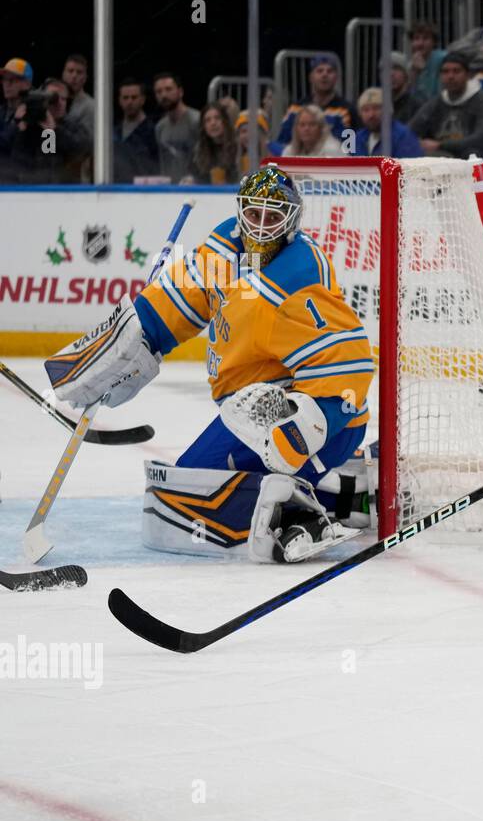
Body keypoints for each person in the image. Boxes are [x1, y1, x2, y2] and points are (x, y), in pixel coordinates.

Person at [43, 165, 374, 563]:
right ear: (240, 211)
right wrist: (130, 342)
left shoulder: (297, 278)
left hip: (318, 419)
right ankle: (350, 496)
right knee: (176, 498)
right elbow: (181, 300)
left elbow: (349, 366)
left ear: (292, 220)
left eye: (274, 216)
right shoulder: (225, 247)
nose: (262, 226)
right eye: (254, 213)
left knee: (186, 501)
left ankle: (310, 508)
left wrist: (305, 428)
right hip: (250, 412)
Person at [408, 50, 483, 181]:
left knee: (471, 155)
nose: (450, 76)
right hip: (446, 163)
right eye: (445, 72)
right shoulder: (436, 103)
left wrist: (440, 145)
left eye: (456, 71)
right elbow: (409, 132)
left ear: (468, 75)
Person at [274, 56, 359, 149]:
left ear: (336, 78)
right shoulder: (295, 109)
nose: (324, 75)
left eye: (329, 71)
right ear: (311, 77)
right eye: (319, 71)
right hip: (300, 161)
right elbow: (281, 143)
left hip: (334, 161)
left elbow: (351, 150)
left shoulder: (347, 110)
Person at [153, 72, 201, 183]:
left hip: (196, 188)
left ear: (180, 92)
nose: (164, 95)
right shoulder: (160, 127)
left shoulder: (196, 121)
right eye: (159, 91)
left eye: (168, 89)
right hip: (170, 189)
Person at [352, 87, 424, 158]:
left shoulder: (403, 137)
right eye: (366, 110)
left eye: (376, 108)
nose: (371, 115)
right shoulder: (359, 137)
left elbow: (410, 167)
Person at [113, 76, 159, 183]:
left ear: (142, 100)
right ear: (119, 100)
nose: (129, 102)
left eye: (134, 97)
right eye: (125, 98)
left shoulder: (154, 131)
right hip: (116, 189)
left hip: (143, 190)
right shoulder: (114, 132)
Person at [186, 103, 239, 184]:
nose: (213, 123)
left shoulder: (238, 147)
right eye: (207, 120)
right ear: (203, 127)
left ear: (225, 121)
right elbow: (193, 176)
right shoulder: (198, 151)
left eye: (217, 118)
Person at [280, 104, 345, 157]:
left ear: (321, 128)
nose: (306, 129)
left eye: (312, 124)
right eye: (302, 125)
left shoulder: (332, 149)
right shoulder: (290, 151)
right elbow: (281, 172)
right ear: (296, 129)